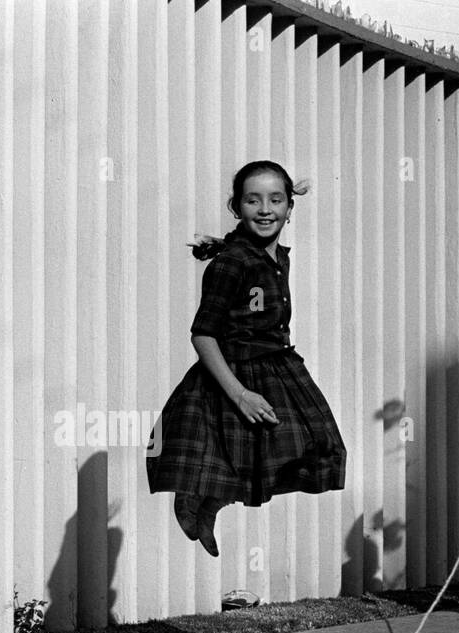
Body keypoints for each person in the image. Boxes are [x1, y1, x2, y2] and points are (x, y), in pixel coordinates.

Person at [146, 160, 346, 556]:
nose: (265, 209)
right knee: (245, 457)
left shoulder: (278, 257)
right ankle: (193, 500)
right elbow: (203, 334)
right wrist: (240, 395)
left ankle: (209, 504)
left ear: (290, 207)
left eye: (276, 200)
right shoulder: (232, 262)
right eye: (253, 200)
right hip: (236, 373)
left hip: (277, 366)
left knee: (316, 447)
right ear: (236, 207)